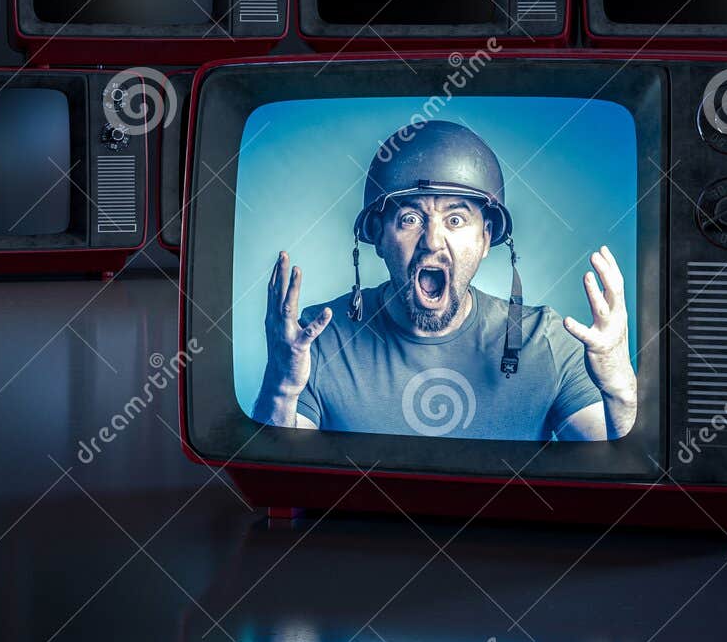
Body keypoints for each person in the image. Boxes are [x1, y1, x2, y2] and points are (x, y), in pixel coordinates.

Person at [250, 119, 636, 441]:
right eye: (410, 219)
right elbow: (278, 482)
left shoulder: (546, 342)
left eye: (455, 219)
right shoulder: (315, 341)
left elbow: (615, 481)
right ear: (379, 237)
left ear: (486, 238)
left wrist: (620, 390)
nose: (432, 242)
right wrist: (281, 388)